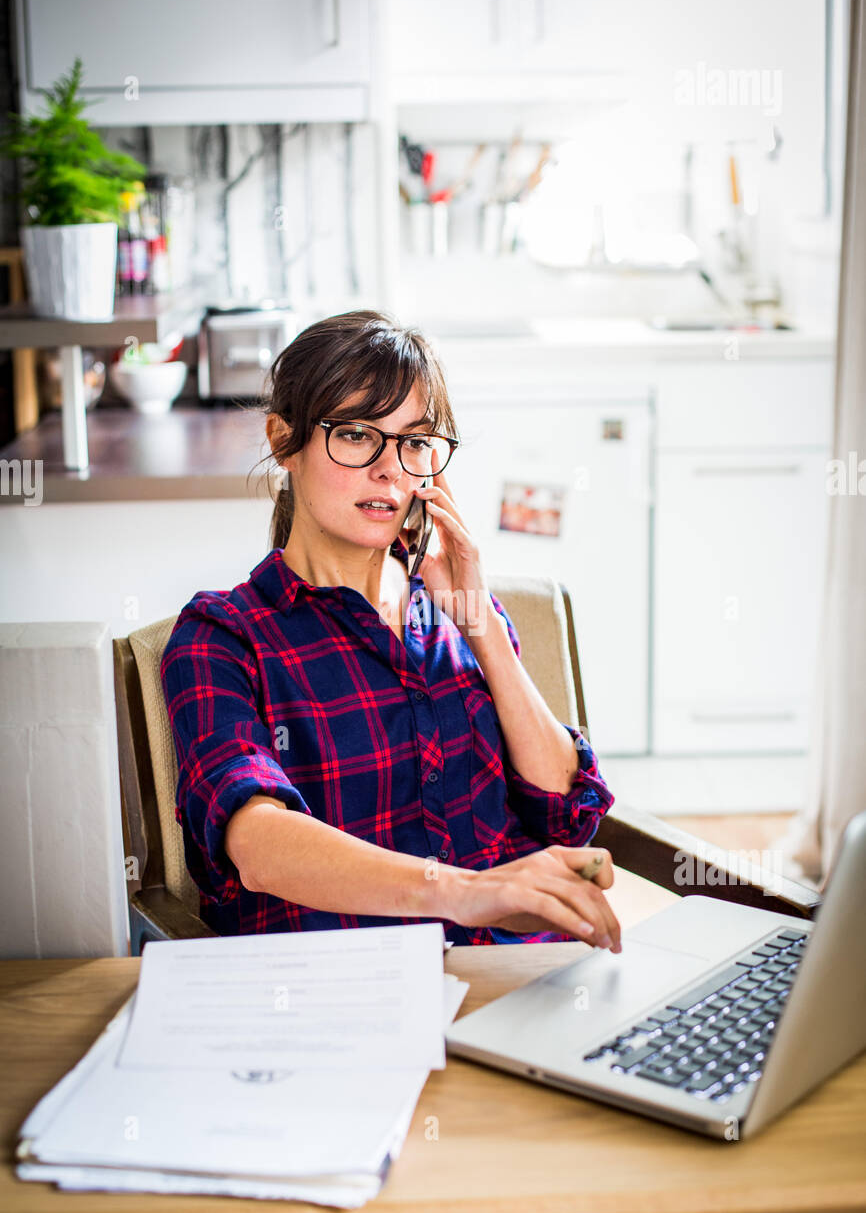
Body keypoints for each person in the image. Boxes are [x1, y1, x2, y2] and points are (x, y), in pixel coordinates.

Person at [160, 309, 621, 948]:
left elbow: (564, 814)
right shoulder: (223, 636)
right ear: (283, 438)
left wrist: (479, 620)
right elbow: (258, 845)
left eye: (414, 441)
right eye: (356, 434)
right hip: (344, 995)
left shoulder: (458, 611)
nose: (391, 471)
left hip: (521, 977)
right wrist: (467, 892)